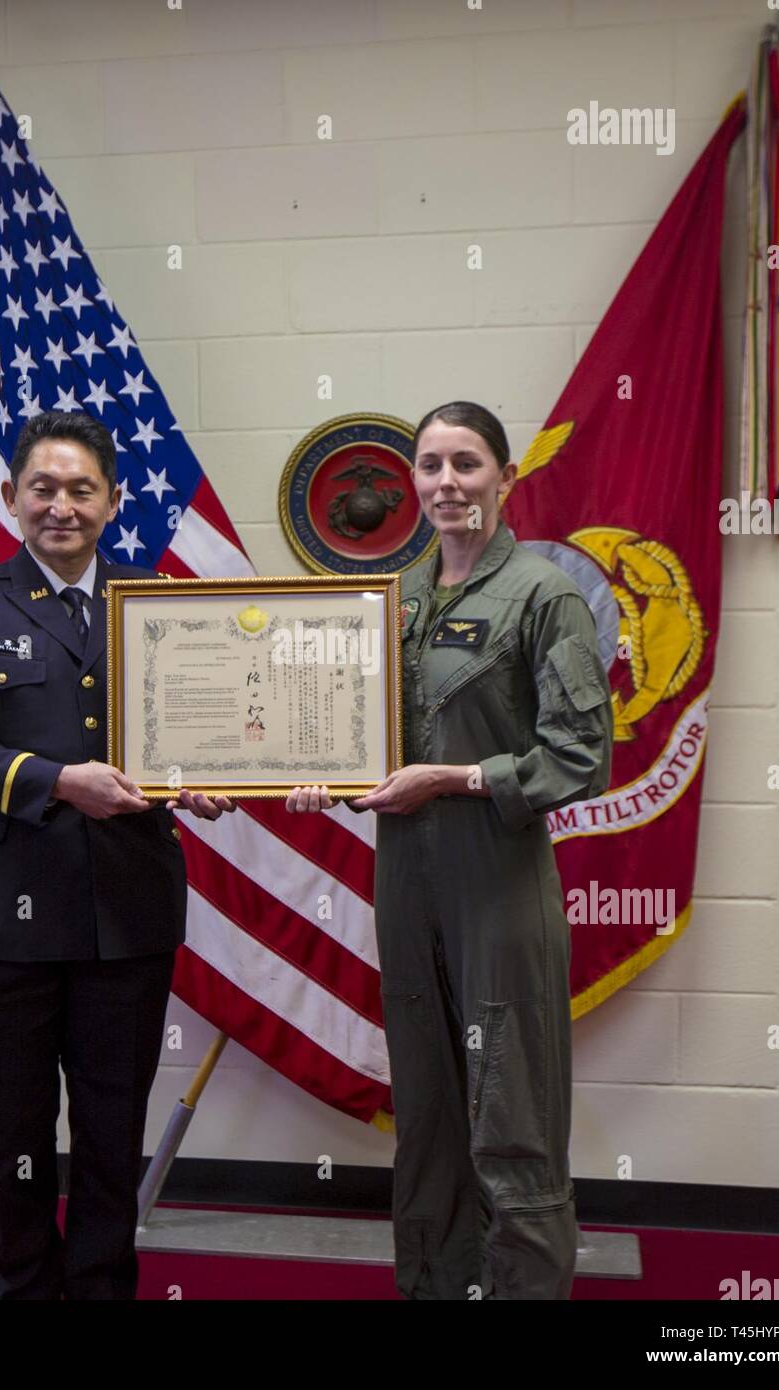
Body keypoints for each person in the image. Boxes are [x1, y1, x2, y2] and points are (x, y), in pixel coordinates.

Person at [287, 401, 614, 1300]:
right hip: (405, 881)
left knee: (511, 1119)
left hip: (495, 884)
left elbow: (581, 758)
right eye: (428, 467)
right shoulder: (396, 603)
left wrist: (454, 779)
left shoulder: (544, 596)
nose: (445, 484)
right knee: (426, 1118)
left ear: (504, 479)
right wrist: (316, 768)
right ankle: (432, 1287)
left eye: (465, 464)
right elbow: (361, 744)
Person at [0, 411, 231, 1300]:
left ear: (113, 501)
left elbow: (186, 742)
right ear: (11, 499)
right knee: (13, 1138)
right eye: (42, 488)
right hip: (3, 919)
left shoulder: (157, 609)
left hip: (124, 916)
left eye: (81, 489)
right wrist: (59, 781)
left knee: (109, 1133)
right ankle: (17, 1291)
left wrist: (196, 782)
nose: (61, 505)